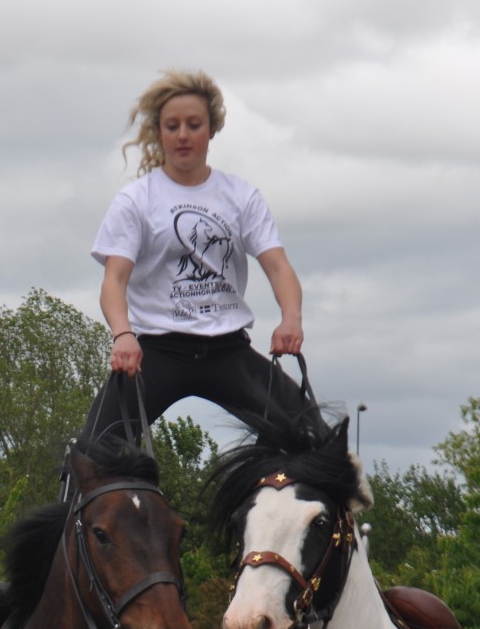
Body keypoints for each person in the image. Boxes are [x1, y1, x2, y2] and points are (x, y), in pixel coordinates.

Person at [77, 69, 322, 455]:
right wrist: (123, 335)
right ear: (159, 132)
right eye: (172, 126)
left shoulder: (240, 196)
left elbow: (278, 267)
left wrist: (291, 319)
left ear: (211, 129)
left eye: (193, 125)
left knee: (315, 439)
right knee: (92, 452)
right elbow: (114, 280)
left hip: (228, 351)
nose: (183, 135)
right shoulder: (137, 200)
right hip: (158, 352)